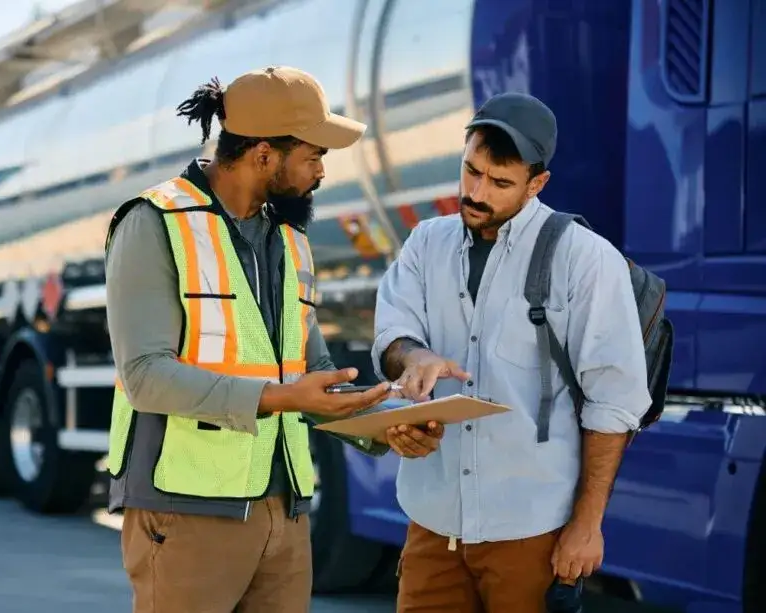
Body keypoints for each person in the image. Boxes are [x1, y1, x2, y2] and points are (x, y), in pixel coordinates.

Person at [103, 65, 410, 613]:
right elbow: (145, 376)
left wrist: (384, 426)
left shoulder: (291, 239)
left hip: (283, 515)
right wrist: (282, 398)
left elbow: (310, 377)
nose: (321, 171)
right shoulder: (154, 223)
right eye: (313, 156)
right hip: (186, 512)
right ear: (264, 154)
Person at [371, 92, 653, 612]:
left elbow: (614, 403)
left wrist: (587, 526)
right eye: (471, 171)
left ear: (537, 183)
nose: (477, 193)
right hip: (433, 525)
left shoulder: (585, 260)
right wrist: (413, 360)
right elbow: (392, 333)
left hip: (531, 532)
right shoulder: (425, 243)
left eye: (500, 183)